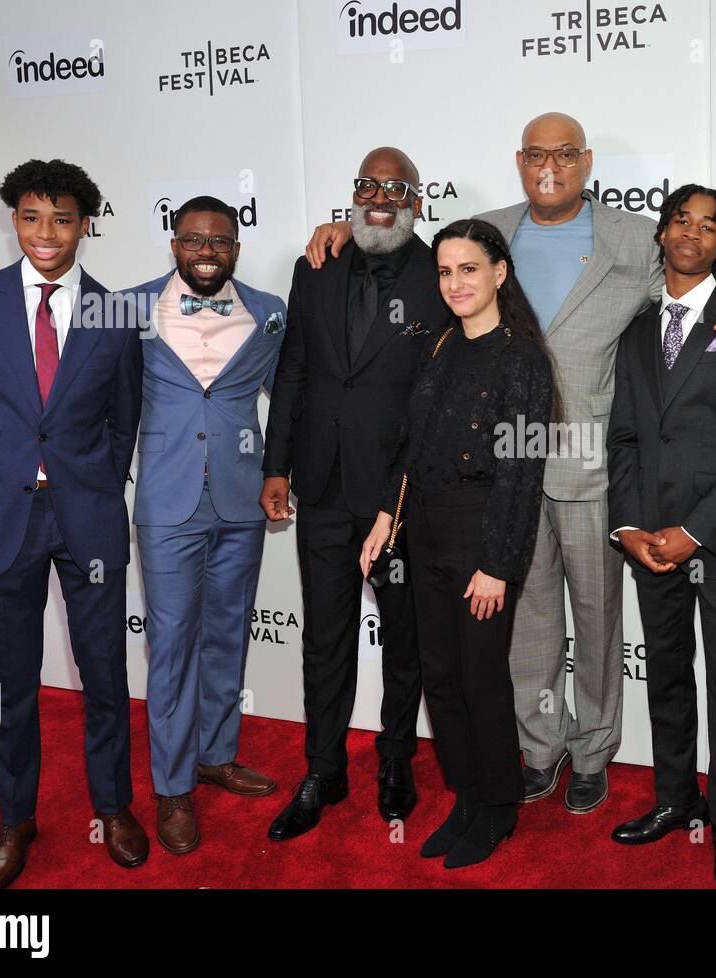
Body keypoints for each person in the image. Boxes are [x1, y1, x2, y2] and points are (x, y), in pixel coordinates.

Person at [308, 112, 716, 814]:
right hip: (504, 479)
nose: (547, 165)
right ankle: (539, 747)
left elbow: (693, 276)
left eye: (562, 154)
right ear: (519, 162)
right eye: (534, 154)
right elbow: (409, 256)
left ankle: (592, 753)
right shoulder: (488, 230)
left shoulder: (630, 236)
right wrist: (340, 233)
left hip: (591, 474)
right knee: (526, 628)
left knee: (596, 623)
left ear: (585, 162)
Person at [0, 159, 147, 888]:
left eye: (62, 218)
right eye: (31, 218)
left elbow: (126, 422)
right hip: (3, 521)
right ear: (13, 222)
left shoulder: (114, 312)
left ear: (86, 224)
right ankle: (15, 817)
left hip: (85, 517)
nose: (46, 234)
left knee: (104, 676)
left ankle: (114, 806)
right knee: (12, 684)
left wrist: (94, 482)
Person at [261, 147, 451, 839]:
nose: (380, 196)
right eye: (369, 184)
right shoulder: (317, 267)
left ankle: (396, 759)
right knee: (326, 637)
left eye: (396, 187)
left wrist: (402, 491)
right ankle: (323, 770)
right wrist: (275, 466)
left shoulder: (443, 275)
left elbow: (440, 400)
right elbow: (295, 370)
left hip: (399, 501)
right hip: (321, 488)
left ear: (418, 201)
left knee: (405, 640)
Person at [361, 218, 554, 868]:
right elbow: (412, 449)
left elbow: (522, 474)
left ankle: (499, 806)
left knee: (480, 679)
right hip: (427, 534)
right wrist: (389, 517)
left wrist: (498, 564)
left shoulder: (521, 356)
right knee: (440, 679)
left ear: (499, 272)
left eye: (468, 268)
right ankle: (466, 796)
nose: (455, 282)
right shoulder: (441, 345)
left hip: (483, 535)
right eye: (445, 271)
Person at [607, 185, 716, 888]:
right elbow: (622, 438)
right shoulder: (638, 329)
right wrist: (630, 528)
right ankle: (675, 799)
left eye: (709, 227)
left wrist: (694, 531)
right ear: (663, 231)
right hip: (649, 546)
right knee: (668, 680)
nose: (692, 234)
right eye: (682, 220)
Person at [125, 196, 286, 854]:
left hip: (241, 502)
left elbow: (294, 399)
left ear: (237, 249)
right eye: (194, 240)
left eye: (219, 242)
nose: (207, 252)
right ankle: (171, 789)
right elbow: (90, 396)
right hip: (165, 505)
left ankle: (215, 754)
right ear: (174, 245)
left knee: (227, 634)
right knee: (170, 647)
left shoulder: (270, 311)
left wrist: (284, 471)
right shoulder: (128, 307)